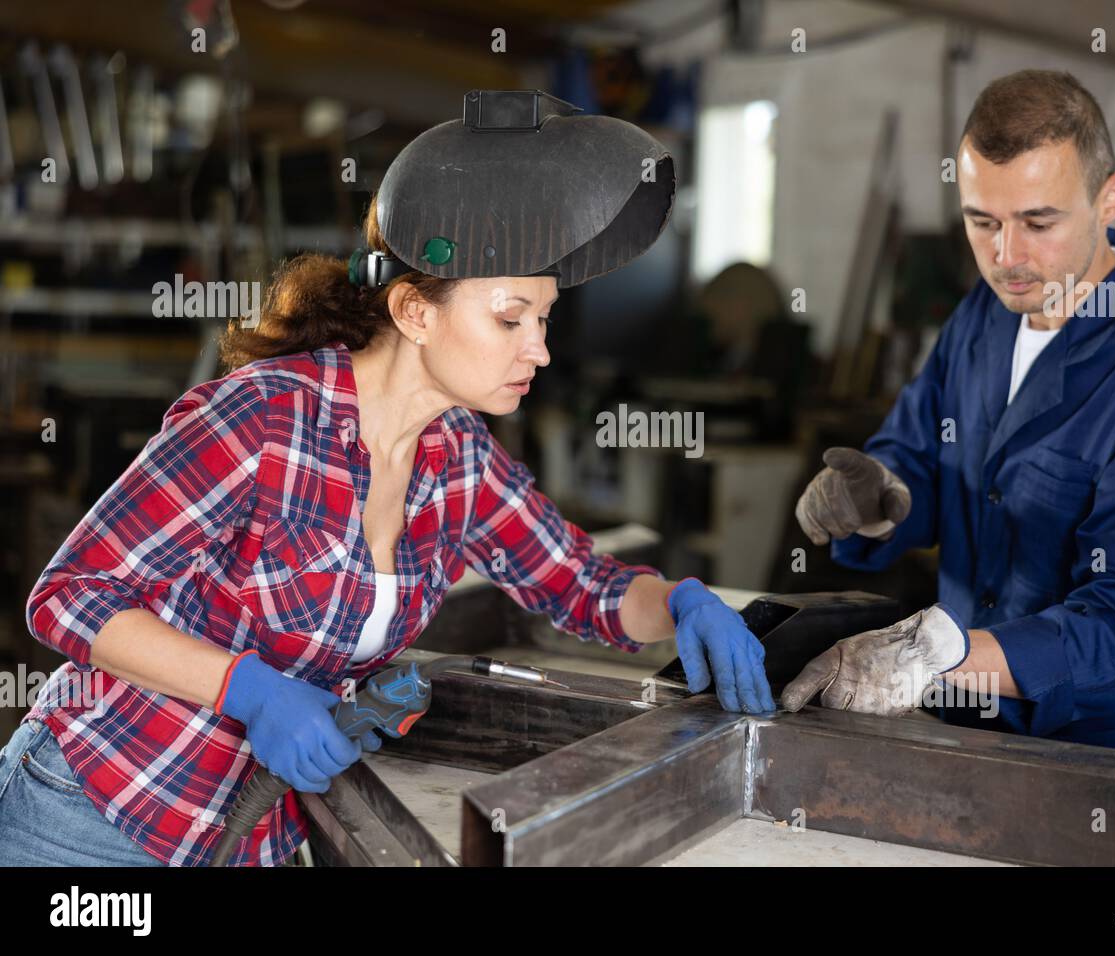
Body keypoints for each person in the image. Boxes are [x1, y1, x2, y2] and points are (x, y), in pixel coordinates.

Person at [2, 90, 774, 867]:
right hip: (89, 814)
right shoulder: (264, 418)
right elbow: (70, 596)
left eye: (544, 320)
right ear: (414, 311)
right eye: (510, 318)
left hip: (244, 844)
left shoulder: (461, 457)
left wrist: (679, 605)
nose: (537, 350)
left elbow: (582, 586)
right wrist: (250, 690)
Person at [783, 71, 1115, 761]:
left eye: (1038, 221)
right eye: (982, 222)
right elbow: (923, 452)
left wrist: (937, 656)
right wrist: (881, 497)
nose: (1007, 257)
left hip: (1110, 758)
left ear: (1109, 198)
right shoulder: (983, 317)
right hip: (968, 730)